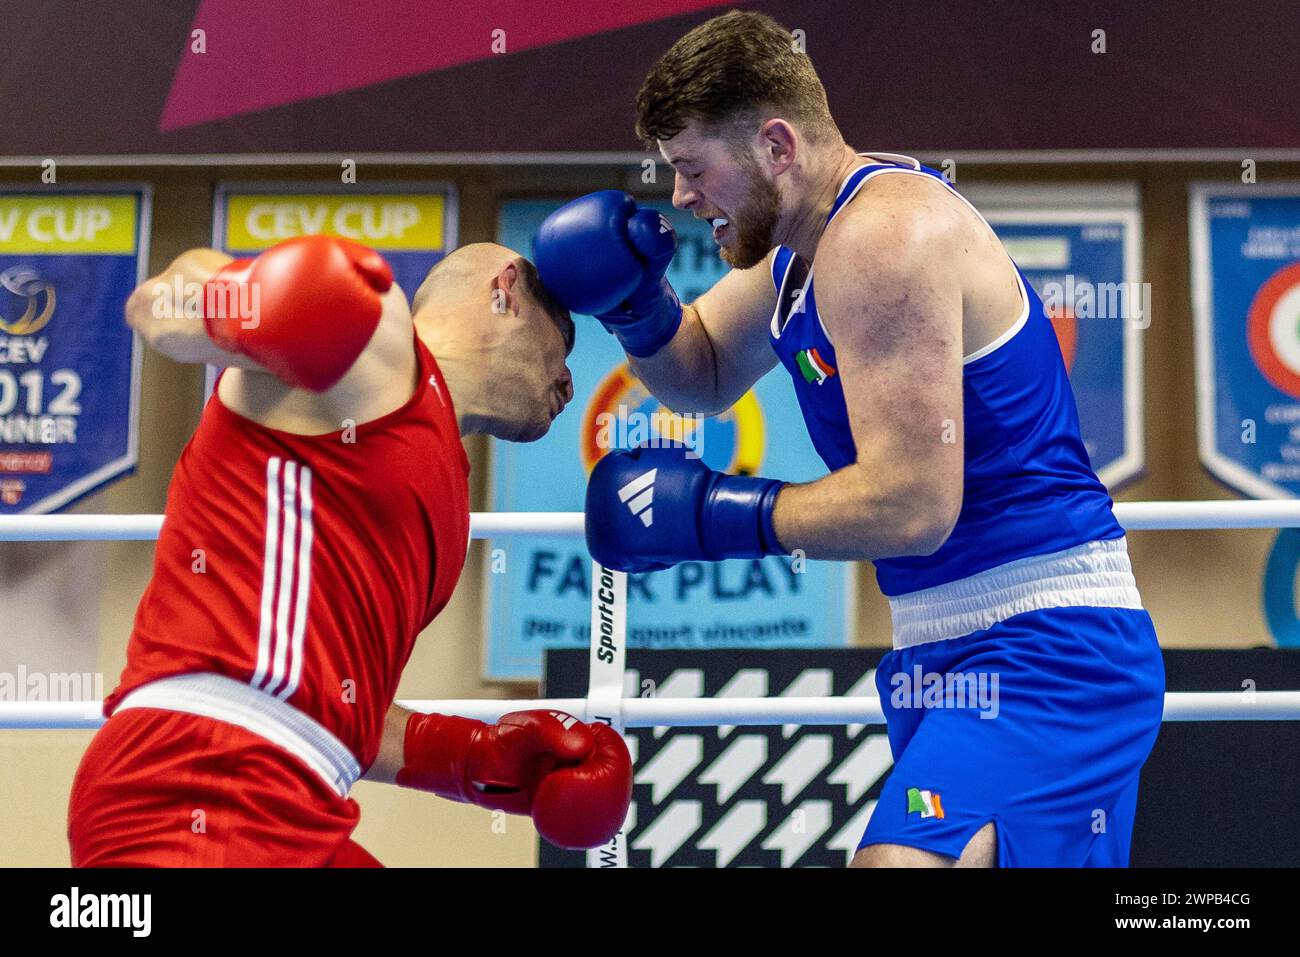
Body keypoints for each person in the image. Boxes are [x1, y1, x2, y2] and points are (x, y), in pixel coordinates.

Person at [534, 10, 1164, 868]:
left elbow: (912, 505)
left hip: (1043, 640)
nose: (681, 197)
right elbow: (706, 371)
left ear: (777, 147)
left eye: (692, 168)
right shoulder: (799, 256)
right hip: (948, 640)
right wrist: (632, 305)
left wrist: (715, 516)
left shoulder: (883, 237)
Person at [68, 235, 631, 866]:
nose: (569, 381)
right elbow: (159, 305)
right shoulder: (377, 344)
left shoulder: (447, 503)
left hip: (301, 795)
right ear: (504, 293)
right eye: (566, 343)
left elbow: (327, 711)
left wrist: (475, 757)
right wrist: (250, 302)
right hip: (195, 776)